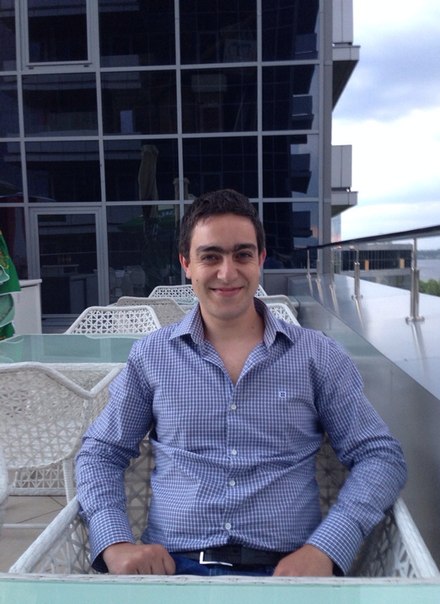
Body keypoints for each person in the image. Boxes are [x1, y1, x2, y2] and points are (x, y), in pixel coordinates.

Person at [76, 188, 407, 577]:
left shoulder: (317, 355)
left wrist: (326, 548)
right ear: (186, 264)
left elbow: (380, 456)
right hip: (174, 571)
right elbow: (101, 452)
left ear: (261, 259)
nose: (227, 272)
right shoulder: (152, 356)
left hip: (286, 574)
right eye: (210, 256)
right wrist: (114, 543)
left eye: (242, 255)